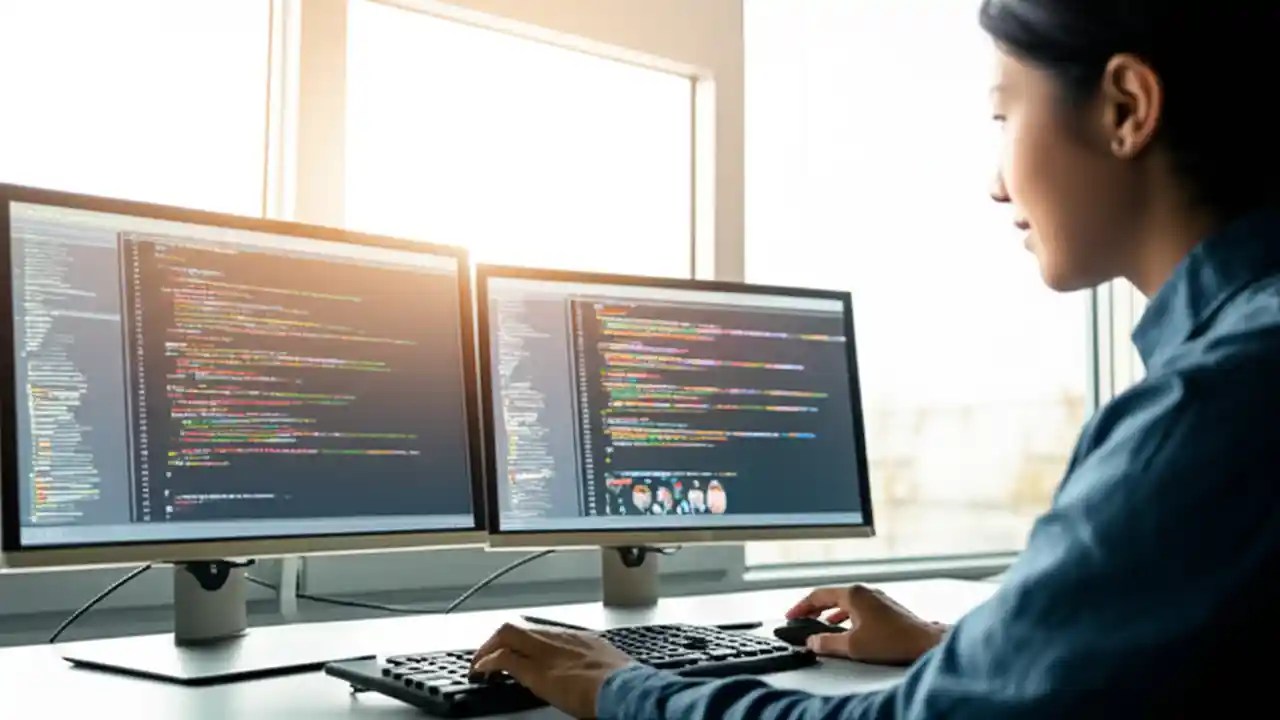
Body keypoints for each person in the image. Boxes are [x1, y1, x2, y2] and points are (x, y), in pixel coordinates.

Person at [470, 0, 1280, 716]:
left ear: (1125, 107)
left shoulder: (1209, 407)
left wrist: (622, 687)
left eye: (1005, 116)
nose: (998, 184)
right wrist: (950, 645)